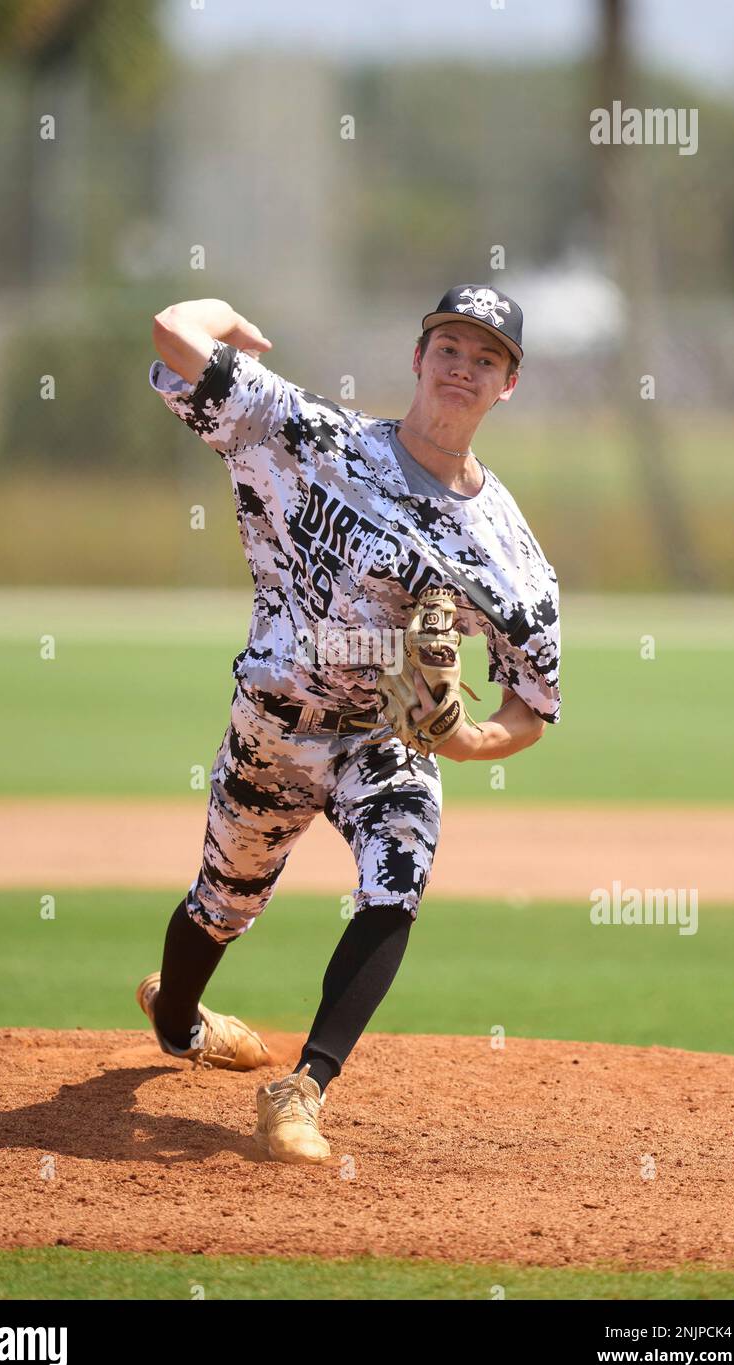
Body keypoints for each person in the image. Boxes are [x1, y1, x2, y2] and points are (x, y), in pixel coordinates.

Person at [137, 283, 561, 1164]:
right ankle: (177, 1022)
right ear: (418, 358)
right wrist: (232, 319)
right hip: (276, 724)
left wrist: (468, 739)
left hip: (384, 739)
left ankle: (302, 1090)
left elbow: (533, 706)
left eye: (487, 358)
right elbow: (175, 335)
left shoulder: (511, 556)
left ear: (507, 385)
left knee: (399, 872)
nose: (463, 368)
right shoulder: (314, 439)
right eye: (449, 348)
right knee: (223, 904)